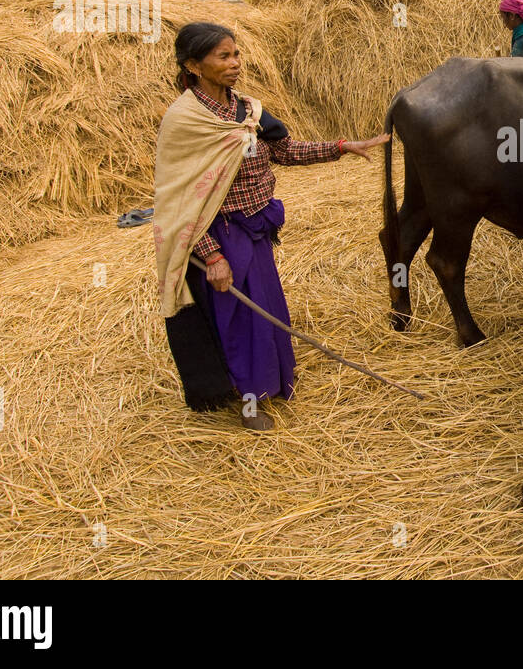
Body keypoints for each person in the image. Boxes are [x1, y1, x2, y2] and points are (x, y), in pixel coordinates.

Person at [153, 22, 388, 430]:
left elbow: (284, 149)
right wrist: (212, 256)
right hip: (221, 236)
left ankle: (270, 384)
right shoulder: (185, 121)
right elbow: (180, 202)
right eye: (223, 56)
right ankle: (246, 403)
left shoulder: (248, 110)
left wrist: (341, 147)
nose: (235, 63)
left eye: (236, 54)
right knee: (237, 323)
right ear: (193, 65)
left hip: (255, 229)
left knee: (264, 313)